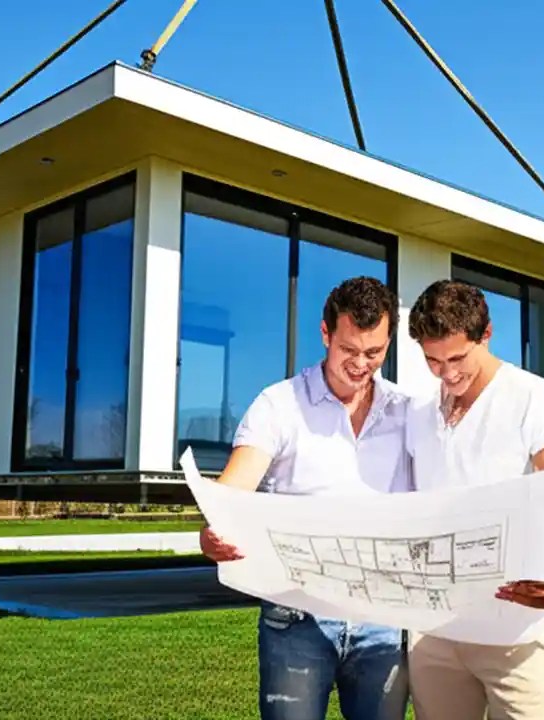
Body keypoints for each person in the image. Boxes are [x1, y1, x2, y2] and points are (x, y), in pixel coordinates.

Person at [197, 275, 412, 720]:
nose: (361, 364)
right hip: (298, 617)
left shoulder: (407, 411)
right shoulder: (279, 405)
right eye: (349, 349)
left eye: (374, 352)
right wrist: (215, 532)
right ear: (325, 334)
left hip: (383, 618)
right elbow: (232, 493)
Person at [403, 279, 544, 720]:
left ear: (485, 334)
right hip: (434, 634)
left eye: (457, 358)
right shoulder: (419, 412)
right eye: (433, 360)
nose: (447, 374)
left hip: (514, 632)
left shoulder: (536, 398)